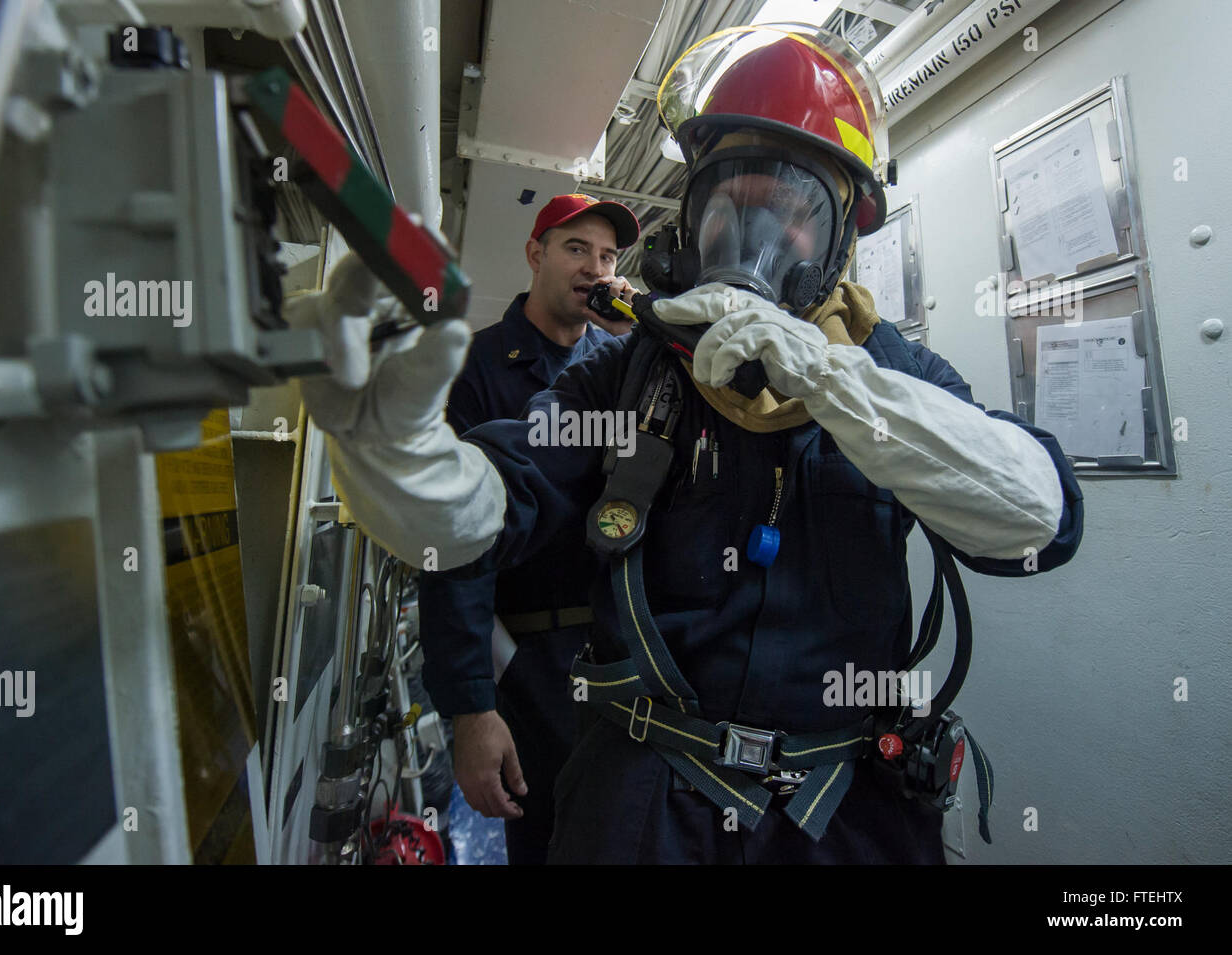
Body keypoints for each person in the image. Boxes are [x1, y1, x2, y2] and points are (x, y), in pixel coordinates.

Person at [289, 24, 1084, 863]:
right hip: (641, 802)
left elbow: (1039, 517)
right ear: (691, 217)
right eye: (730, 201)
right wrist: (397, 454)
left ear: (844, 235)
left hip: (840, 816)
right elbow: (492, 499)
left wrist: (831, 382)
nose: (754, 234)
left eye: (792, 208)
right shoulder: (634, 375)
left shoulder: (895, 375)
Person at [418, 194, 639, 865]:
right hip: (525, 656)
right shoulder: (476, 368)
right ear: (535, 253)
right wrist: (471, 707)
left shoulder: (627, 364)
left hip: (622, 652)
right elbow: (450, 532)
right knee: (544, 838)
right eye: (576, 248)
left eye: (607, 256)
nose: (594, 268)